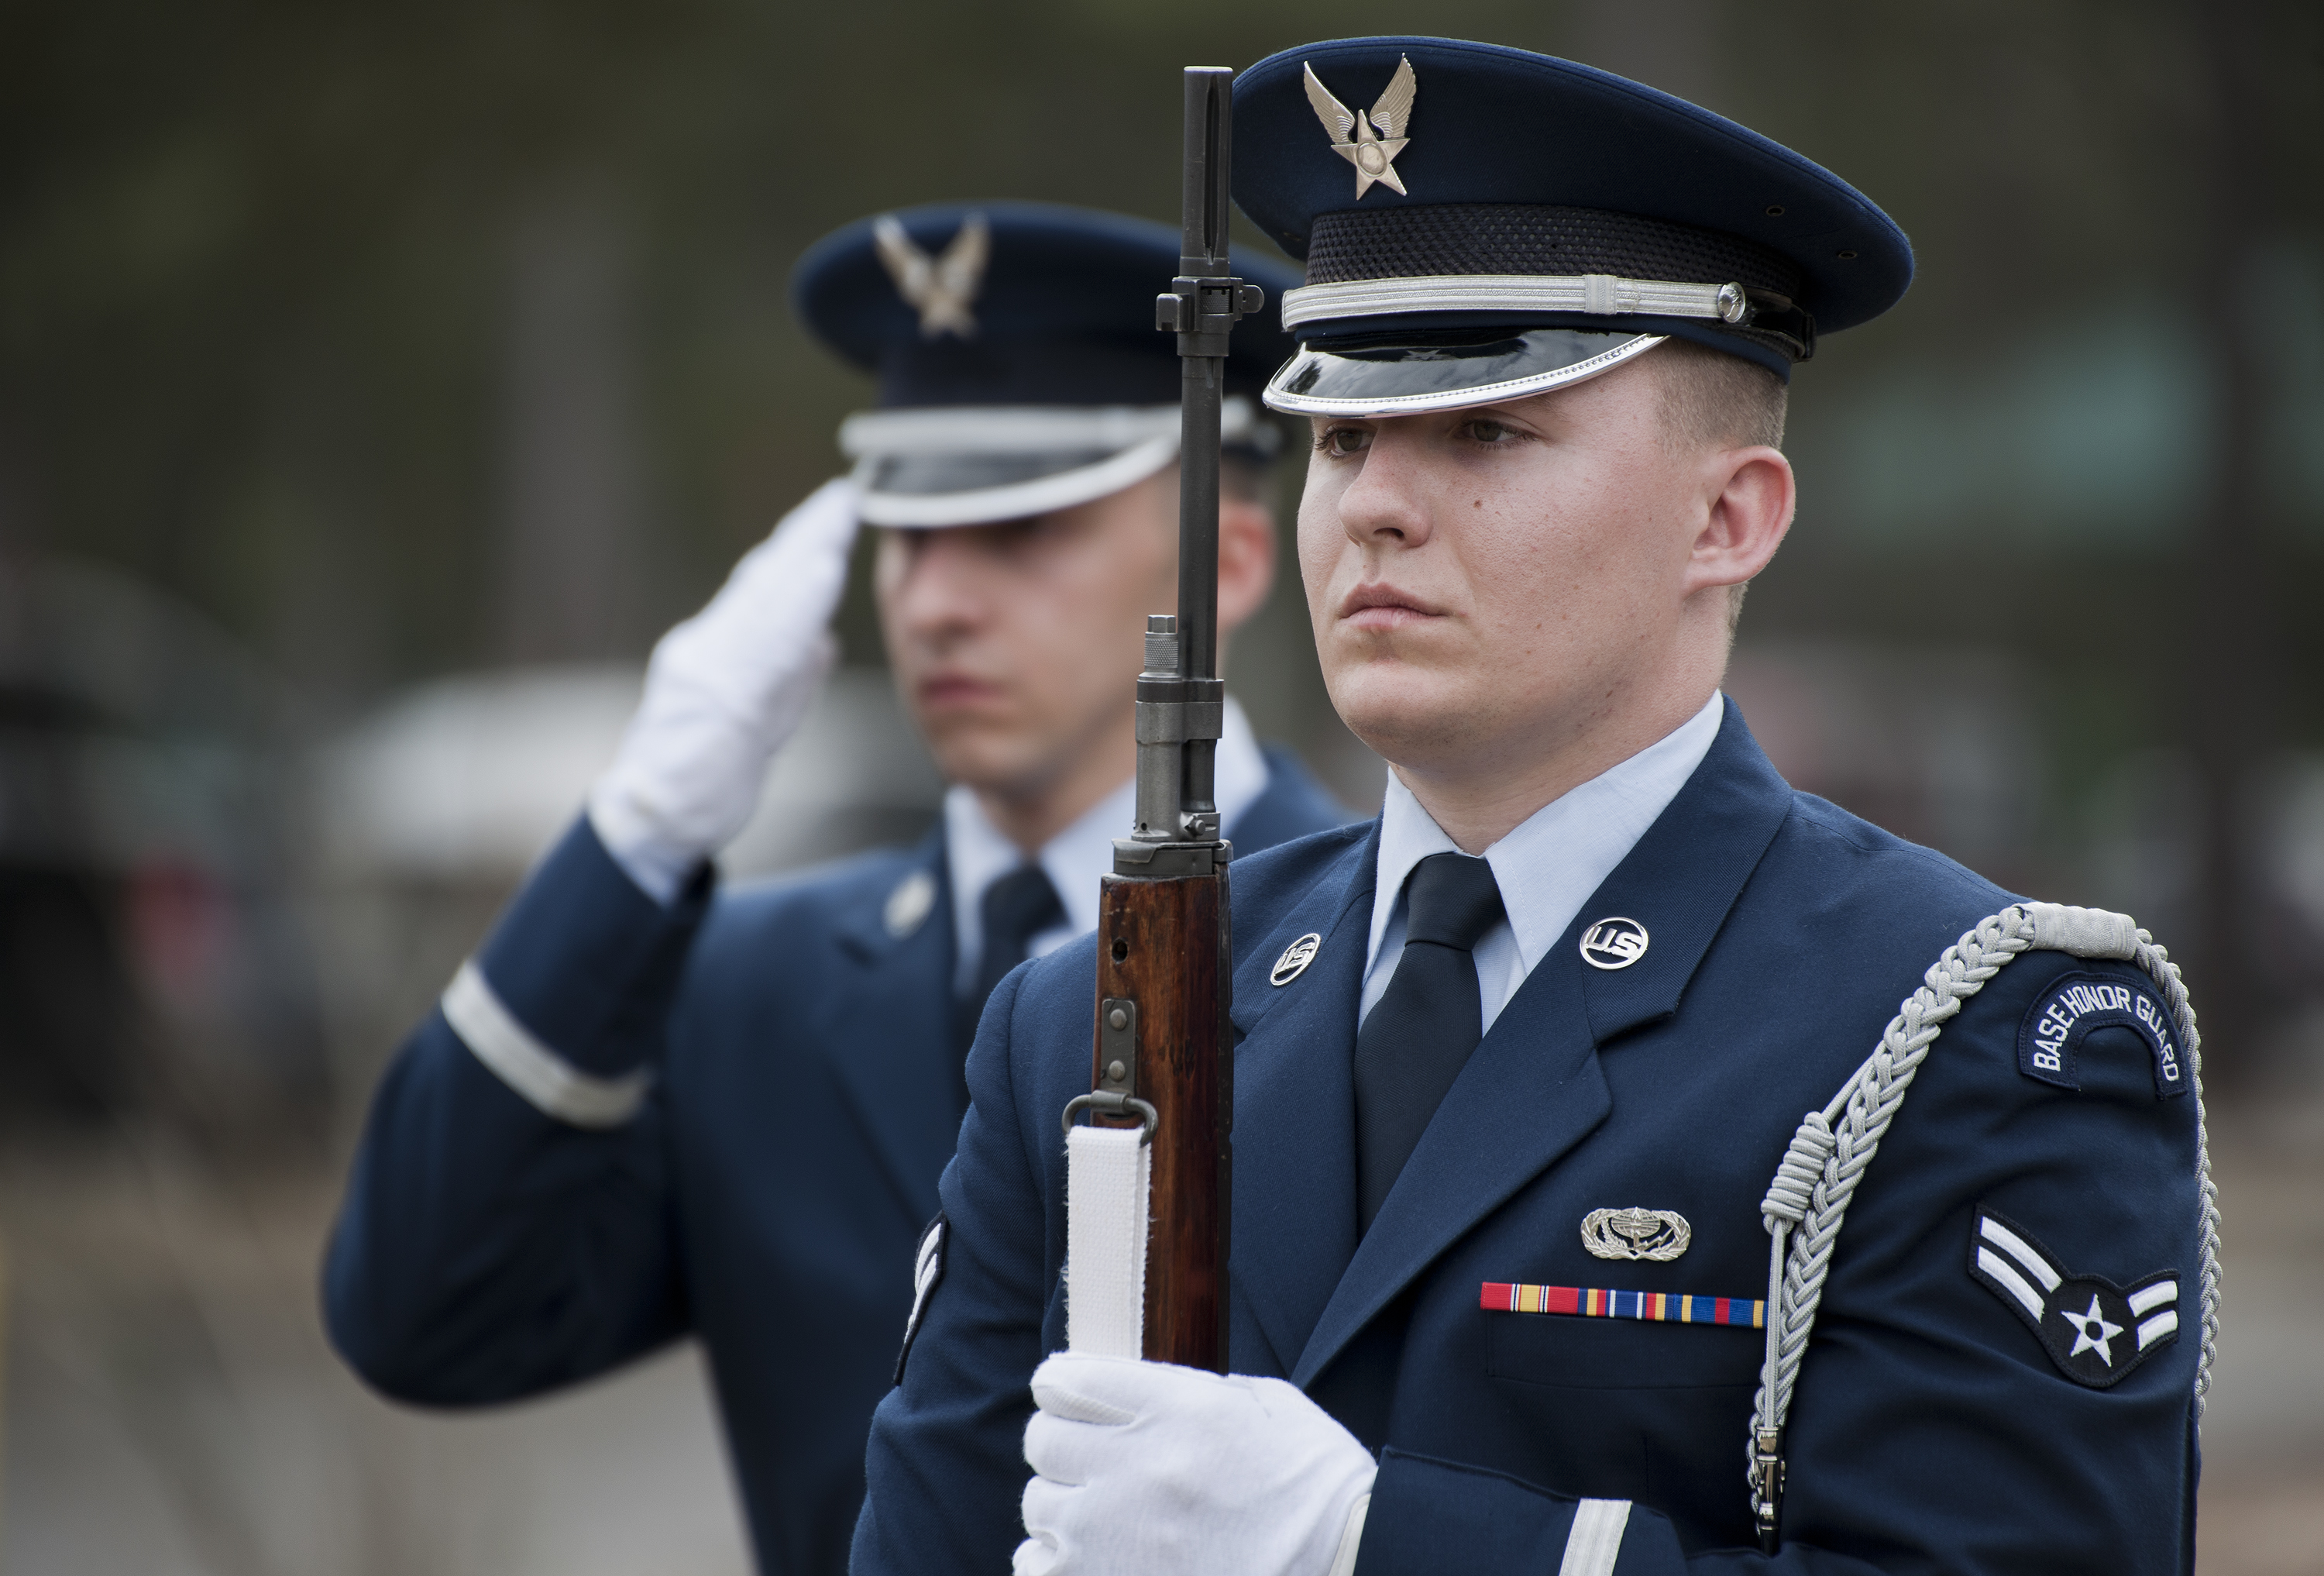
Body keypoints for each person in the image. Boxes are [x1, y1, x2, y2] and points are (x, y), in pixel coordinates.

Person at [852, 40, 2214, 1576]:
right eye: (1346, 436)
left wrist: (1370, 1541)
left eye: (1487, 431)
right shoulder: (1083, 1029)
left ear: (1728, 518)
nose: (1374, 500)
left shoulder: (1967, 1034)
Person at [321, 201, 1354, 1575]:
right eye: (910, 533)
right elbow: (421, 1310)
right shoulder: (762, 982)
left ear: (1225, 562)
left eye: (1019, 527)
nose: (935, 602)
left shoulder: (1392, 956)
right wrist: (633, 841)